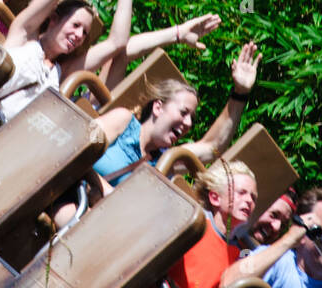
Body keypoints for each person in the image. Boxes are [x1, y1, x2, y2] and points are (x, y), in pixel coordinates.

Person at [0, 0, 140, 124]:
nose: (79, 35)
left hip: (3, 137)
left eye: (84, 32)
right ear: (54, 19)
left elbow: (117, 43)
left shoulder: (62, 72)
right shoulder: (24, 34)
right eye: (75, 25)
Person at [91, 41, 262, 187]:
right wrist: (103, 189)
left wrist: (240, 93)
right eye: (183, 112)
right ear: (158, 107)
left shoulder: (166, 161)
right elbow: (81, 146)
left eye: (192, 119)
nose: (188, 123)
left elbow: (212, 146)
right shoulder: (123, 121)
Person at [169, 161, 307, 288]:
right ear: (215, 198)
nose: (249, 200)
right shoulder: (195, 222)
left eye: (253, 198)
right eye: (241, 193)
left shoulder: (243, 252)